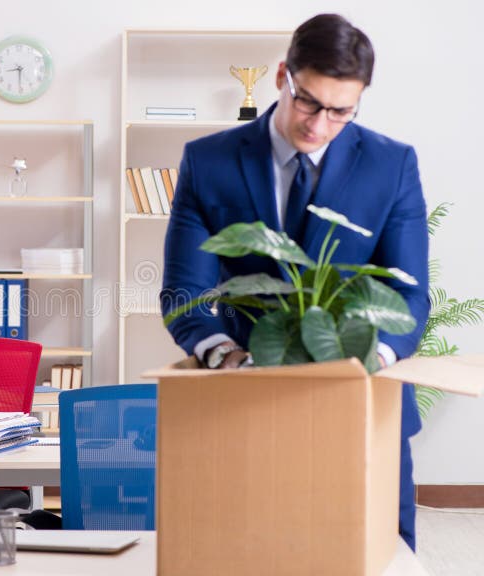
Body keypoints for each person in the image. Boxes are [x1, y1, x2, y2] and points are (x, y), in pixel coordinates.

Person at [161, 14, 429, 551]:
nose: (319, 125)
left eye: (341, 111)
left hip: (362, 404)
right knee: (249, 551)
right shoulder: (208, 161)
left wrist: (372, 359)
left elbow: (408, 294)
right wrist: (228, 356)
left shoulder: (391, 164)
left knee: (378, 553)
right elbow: (182, 294)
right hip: (247, 405)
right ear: (283, 74)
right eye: (307, 101)